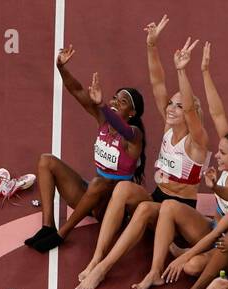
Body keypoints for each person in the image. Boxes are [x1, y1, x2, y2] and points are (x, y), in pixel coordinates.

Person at [74, 21, 211, 289]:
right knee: (124, 188)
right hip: (159, 198)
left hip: (180, 210)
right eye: (170, 104)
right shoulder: (168, 125)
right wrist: (151, 46)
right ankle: (96, 259)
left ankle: (105, 269)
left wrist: (182, 71)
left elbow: (192, 112)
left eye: (178, 106)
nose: (170, 108)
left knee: (149, 207)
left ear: (190, 114)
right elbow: (157, 81)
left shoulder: (196, 142)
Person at [24, 45, 146, 253]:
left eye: (122, 102)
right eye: (114, 98)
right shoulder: (103, 120)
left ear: (132, 112)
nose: (116, 102)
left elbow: (124, 131)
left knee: (99, 183)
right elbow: (78, 90)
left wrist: (104, 107)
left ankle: (62, 234)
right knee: (46, 160)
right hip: (93, 196)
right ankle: (47, 227)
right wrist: (61, 68)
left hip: (112, 206)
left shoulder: (134, 135)